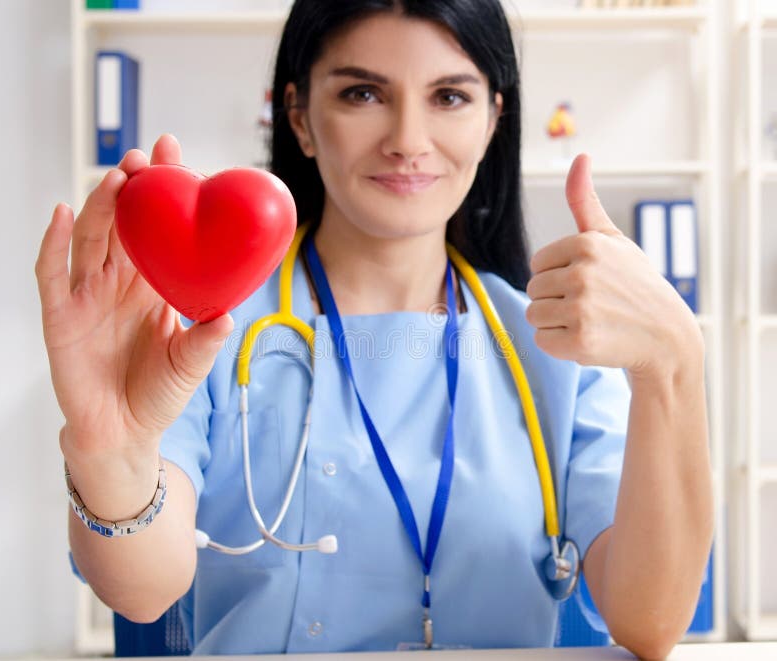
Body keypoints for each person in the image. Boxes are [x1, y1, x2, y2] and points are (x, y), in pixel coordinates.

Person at [35, 0, 713, 657]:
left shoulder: (555, 345)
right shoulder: (202, 337)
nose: (407, 142)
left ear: (492, 120)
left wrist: (673, 362)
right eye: (363, 94)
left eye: (449, 97)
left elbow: (648, 622)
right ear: (297, 116)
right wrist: (107, 451)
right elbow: (144, 590)